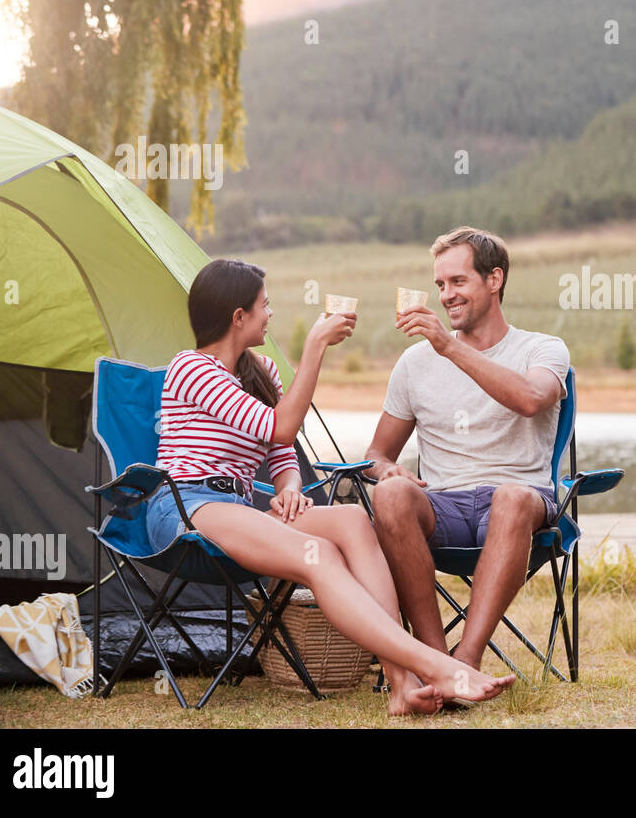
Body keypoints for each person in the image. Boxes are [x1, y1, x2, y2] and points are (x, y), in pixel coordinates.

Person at [147, 259, 513, 716]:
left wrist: (290, 486)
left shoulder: (262, 370)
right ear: (238, 316)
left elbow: (280, 454)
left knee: (353, 520)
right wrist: (316, 346)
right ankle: (439, 667)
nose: (270, 314)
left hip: (235, 508)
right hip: (185, 506)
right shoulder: (190, 368)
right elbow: (279, 427)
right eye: (264, 306)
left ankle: (401, 684)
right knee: (316, 555)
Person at [364, 227, 570, 671]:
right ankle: (435, 659)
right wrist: (387, 473)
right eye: (440, 285)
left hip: (519, 505)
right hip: (444, 507)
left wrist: (448, 349)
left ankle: (468, 661)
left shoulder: (543, 349)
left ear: (494, 279)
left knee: (512, 496)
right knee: (391, 496)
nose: (446, 295)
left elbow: (531, 400)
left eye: (458, 282)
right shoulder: (414, 364)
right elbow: (377, 454)